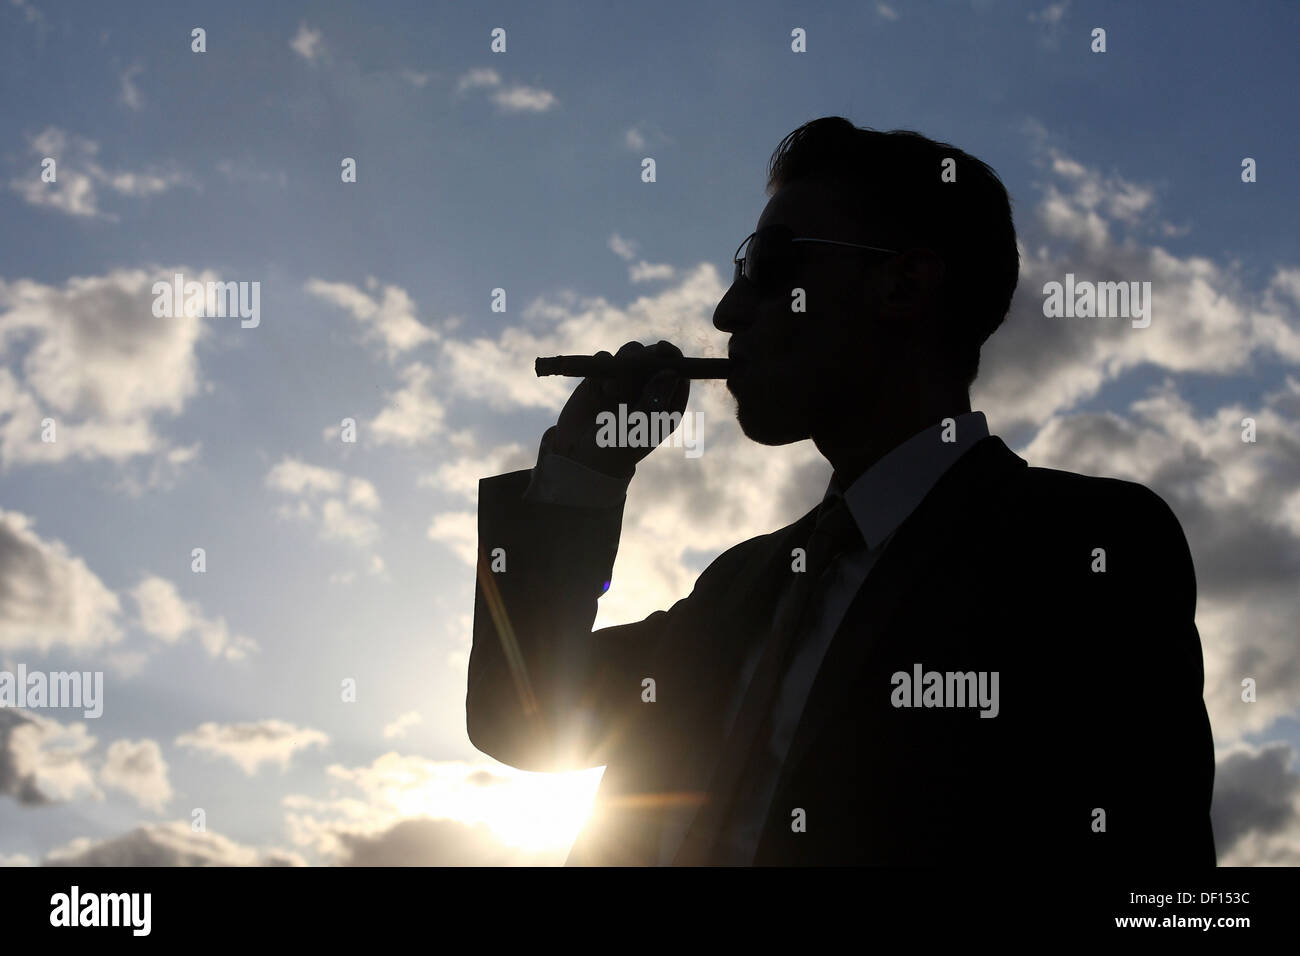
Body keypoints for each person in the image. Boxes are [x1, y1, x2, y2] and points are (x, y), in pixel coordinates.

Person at [466, 117, 1217, 866]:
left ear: (901, 284)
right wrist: (583, 472)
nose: (727, 314)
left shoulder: (1084, 548)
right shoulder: (739, 583)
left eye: (767, 265)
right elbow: (523, 716)